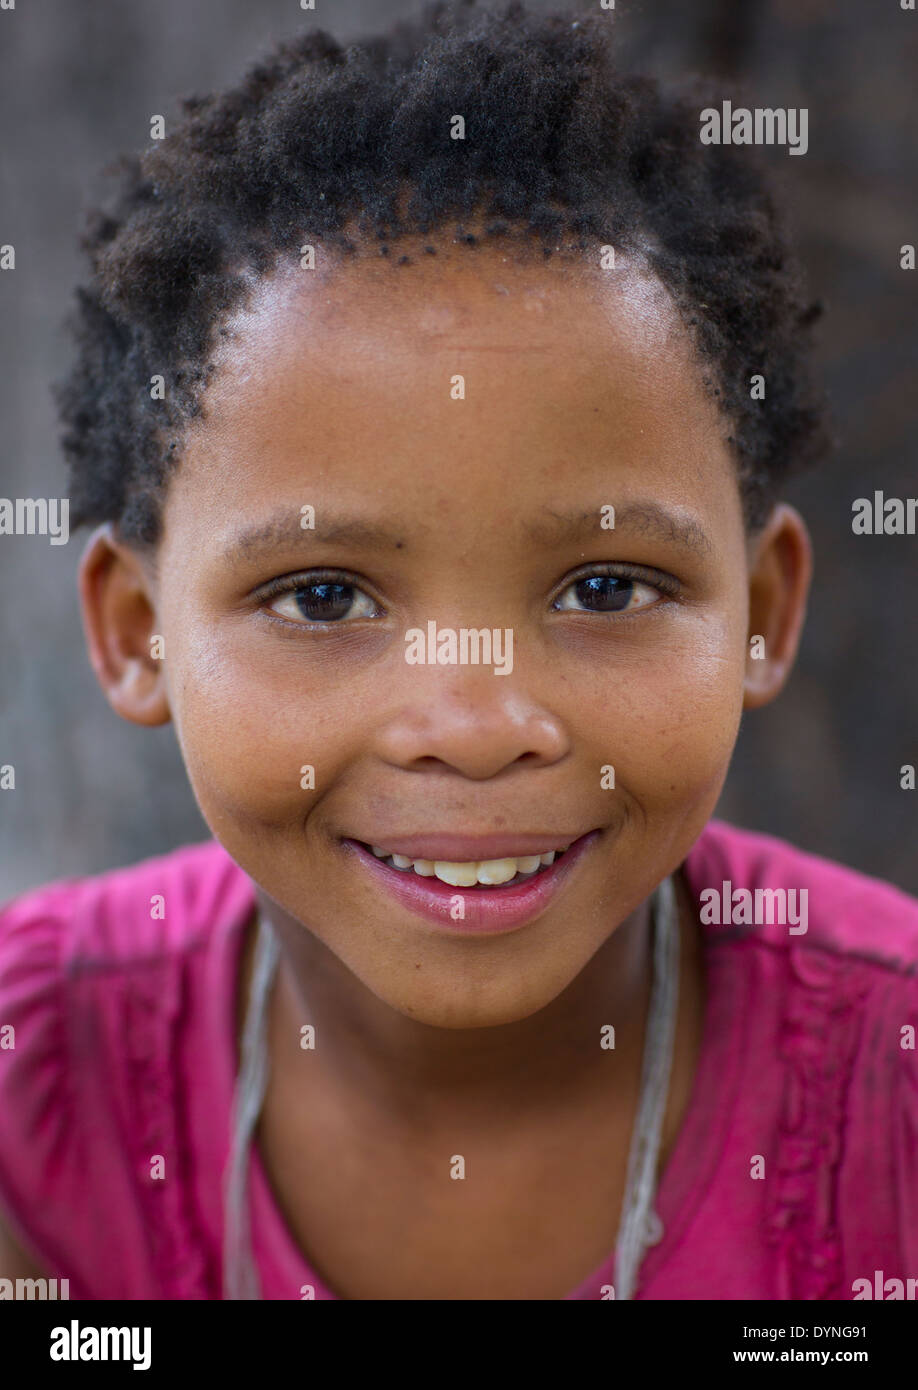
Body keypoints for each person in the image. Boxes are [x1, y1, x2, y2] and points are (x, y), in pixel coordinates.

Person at [1, 1, 915, 1301]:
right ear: (137, 633)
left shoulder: (893, 1088)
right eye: (322, 598)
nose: (476, 724)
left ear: (761, 610)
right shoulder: (33, 1083)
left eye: (605, 584)